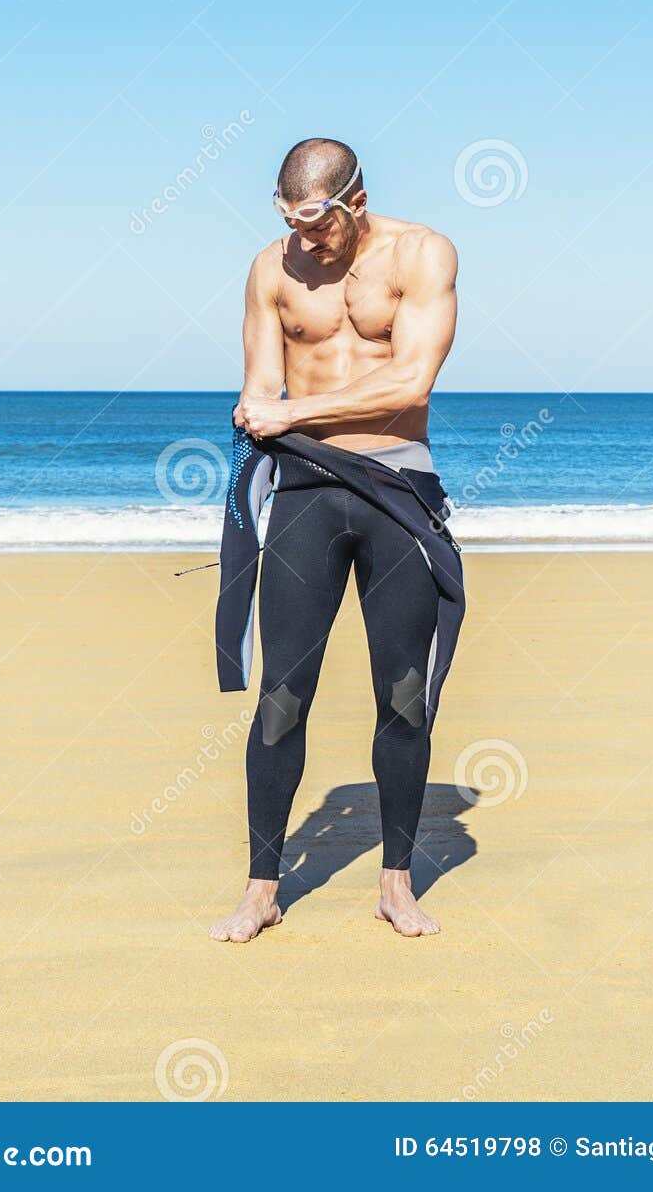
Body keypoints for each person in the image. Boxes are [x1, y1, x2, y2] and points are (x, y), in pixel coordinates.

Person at [210, 138, 459, 942]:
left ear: (353, 201)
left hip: (394, 487)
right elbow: (262, 382)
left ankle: (395, 883)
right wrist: (260, 407)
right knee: (282, 695)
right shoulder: (269, 269)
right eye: (290, 224)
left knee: (404, 695)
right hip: (307, 493)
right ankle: (261, 889)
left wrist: (290, 413)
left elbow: (410, 379)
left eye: (316, 226)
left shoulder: (421, 254)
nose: (304, 244)